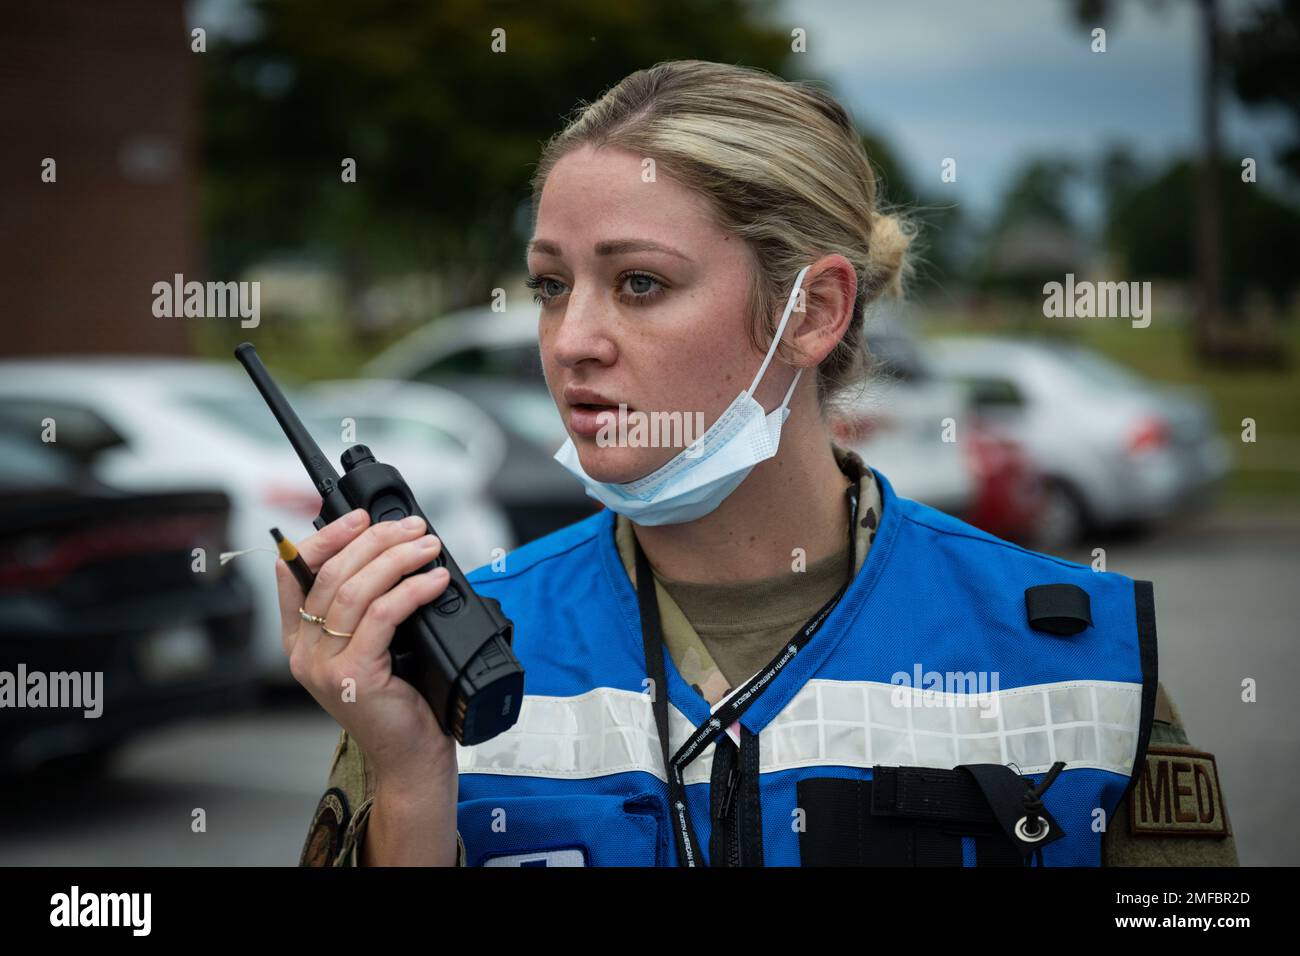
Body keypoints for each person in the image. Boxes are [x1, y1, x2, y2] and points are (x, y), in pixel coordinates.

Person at [285, 60, 1237, 867]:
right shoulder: (452, 662)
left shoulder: (1077, 656)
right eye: (549, 284)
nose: (570, 339)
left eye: (640, 283)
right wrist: (411, 777)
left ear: (814, 311)